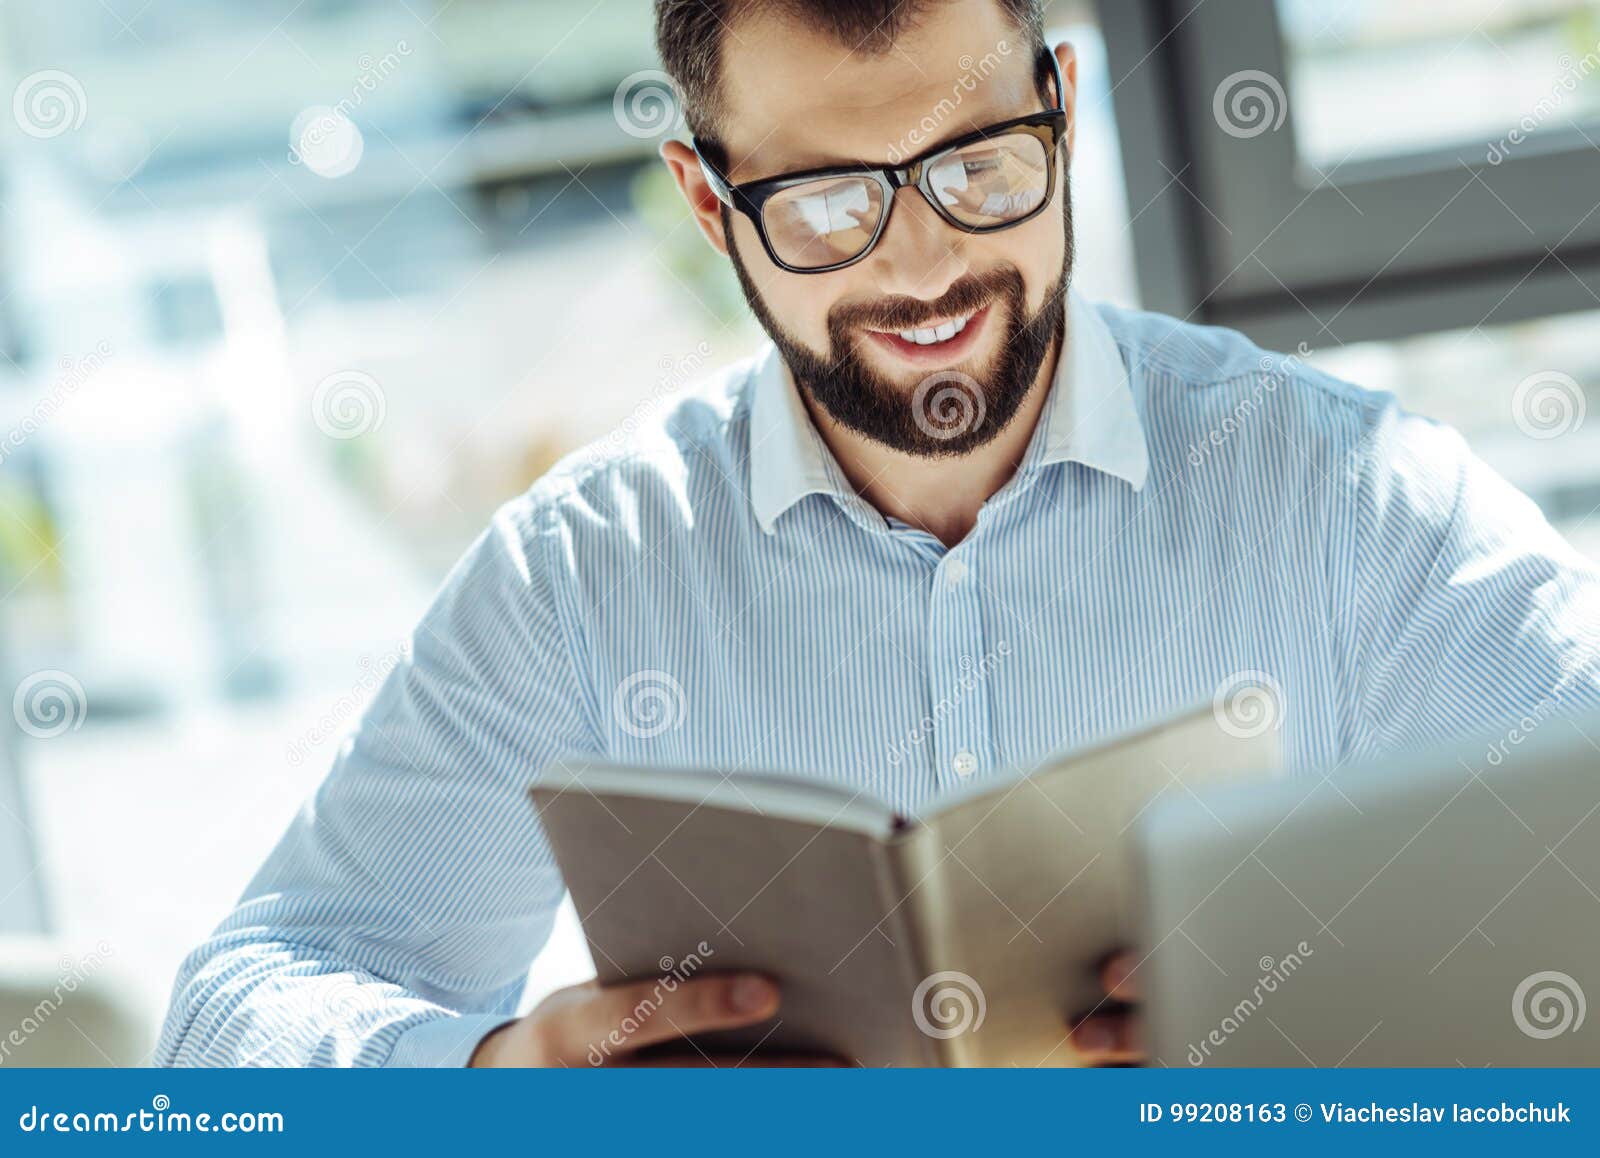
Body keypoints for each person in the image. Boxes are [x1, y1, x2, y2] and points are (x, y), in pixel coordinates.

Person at [158, 0, 1600, 1067]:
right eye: (830, 202)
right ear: (709, 206)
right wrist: (504, 1077)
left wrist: (1328, 1019)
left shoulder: (1355, 499)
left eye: (977, 164)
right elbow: (240, 1003)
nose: (922, 266)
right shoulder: (583, 576)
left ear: (1061, 101)